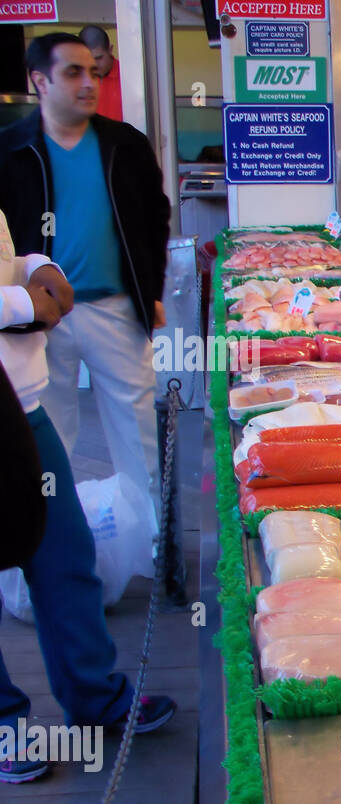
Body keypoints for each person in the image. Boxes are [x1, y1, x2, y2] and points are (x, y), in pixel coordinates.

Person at [0, 206, 174, 784]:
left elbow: (9, 263)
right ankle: (6, 725)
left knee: (65, 554)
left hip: (23, 405)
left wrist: (41, 265)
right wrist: (30, 304)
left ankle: (95, 695)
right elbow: (19, 295)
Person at [0, 32, 170, 511]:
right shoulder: (10, 151)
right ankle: (53, 549)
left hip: (115, 307)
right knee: (46, 440)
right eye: (73, 72)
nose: (88, 83)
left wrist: (150, 290)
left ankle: (152, 556)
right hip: (37, 320)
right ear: (39, 81)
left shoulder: (126, 146)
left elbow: (155, 219)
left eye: (94, 71)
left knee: (137, 436)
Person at [79, 26, 122, 122]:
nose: (95, 64)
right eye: (88, 59)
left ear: (110, 50)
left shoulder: (127, 75)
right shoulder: (78, 80)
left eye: (99, 58)